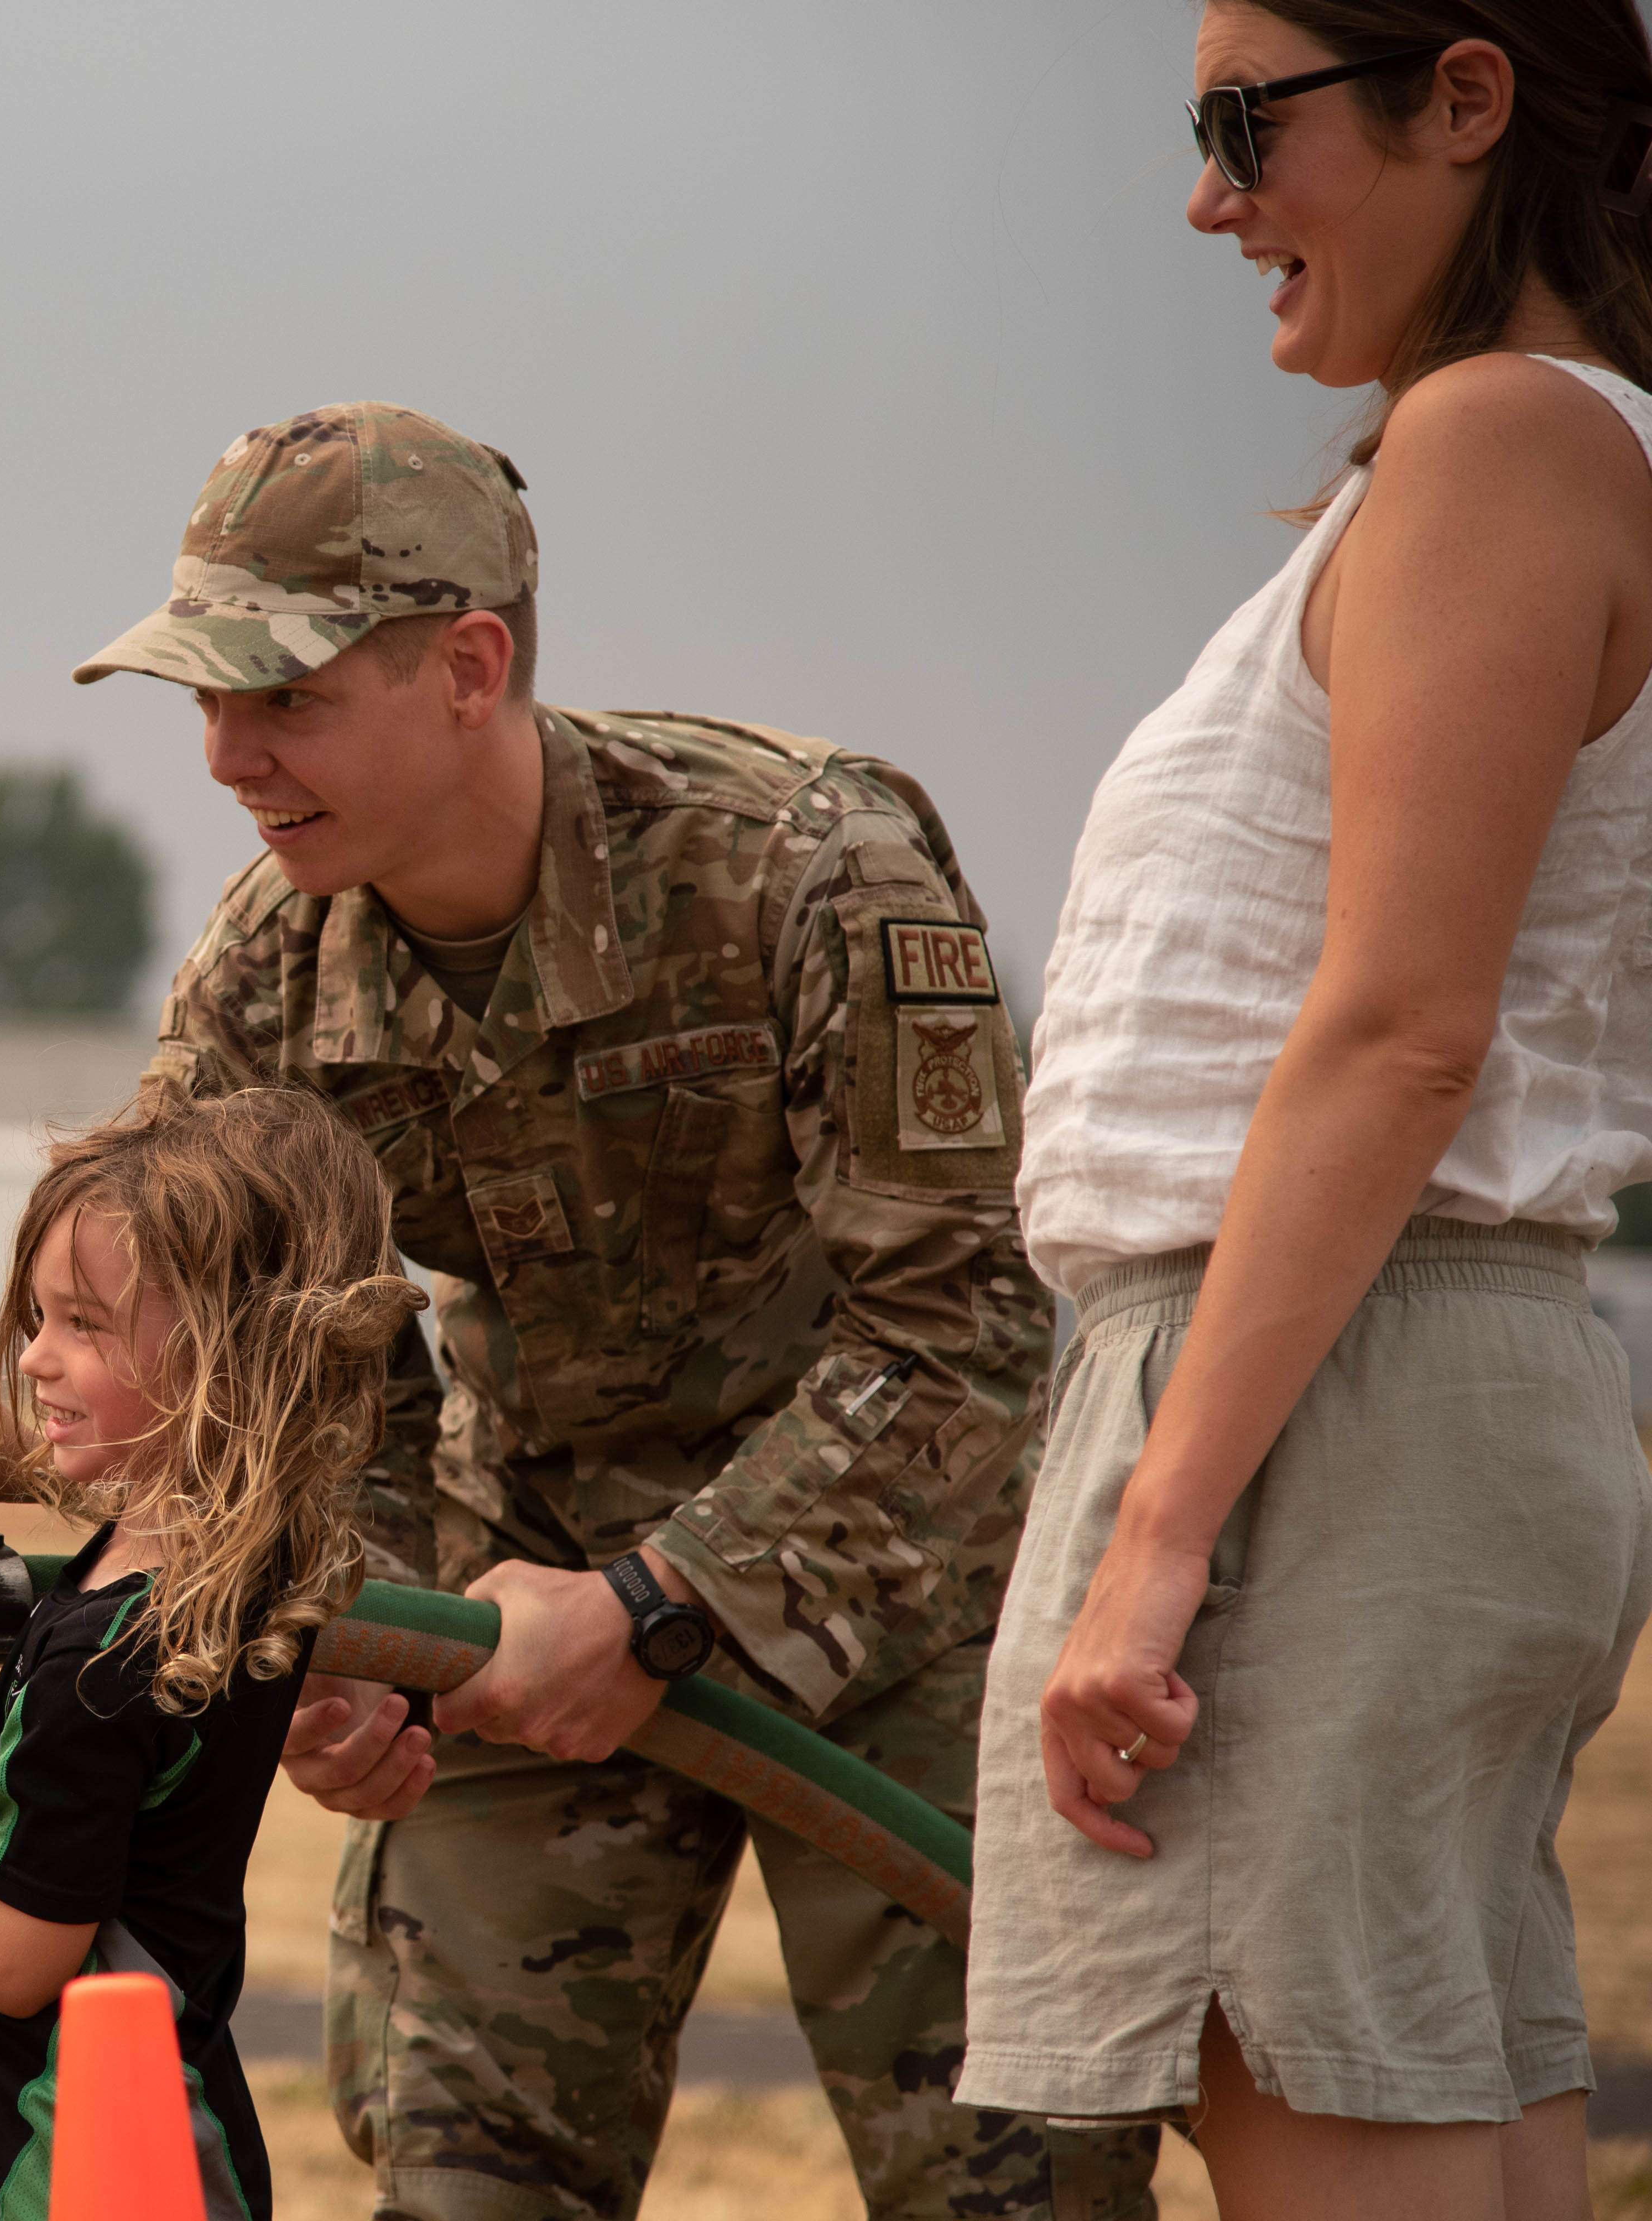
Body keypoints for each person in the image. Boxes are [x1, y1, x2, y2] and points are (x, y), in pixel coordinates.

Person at [72, 400, 1161, 2219]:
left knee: (1012, 2186)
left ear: (467, 665)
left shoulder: (806, 867)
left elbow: (956, 1342)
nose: (223, 755)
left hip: (900, 1608)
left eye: (281, 695)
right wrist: (354, 1628)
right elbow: (291, 1366)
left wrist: (658, 1604)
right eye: (200, 696)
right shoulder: (264, 976)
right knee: (460, 2174)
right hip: (513, 1600)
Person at [958, 7, 1652, 2218]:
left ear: (1465, 101)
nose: (1204, 194)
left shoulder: (1496, 440)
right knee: (1451, 2124)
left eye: (1241, 125)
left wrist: (1158, 1537)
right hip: (1402, 1381)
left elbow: (1394, 1027)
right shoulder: (1523, 448)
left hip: (1326, 1401)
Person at [0, 1083, 427, 2221]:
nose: (36, 1357)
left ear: (228, 1350)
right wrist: (20, 1448)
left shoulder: (100, 1665)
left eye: (84, 1325)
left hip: (61, 2168)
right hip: (177, 2140)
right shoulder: (250, 1561)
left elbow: (18, 1956)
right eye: (38, 1318)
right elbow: (198, 1460)